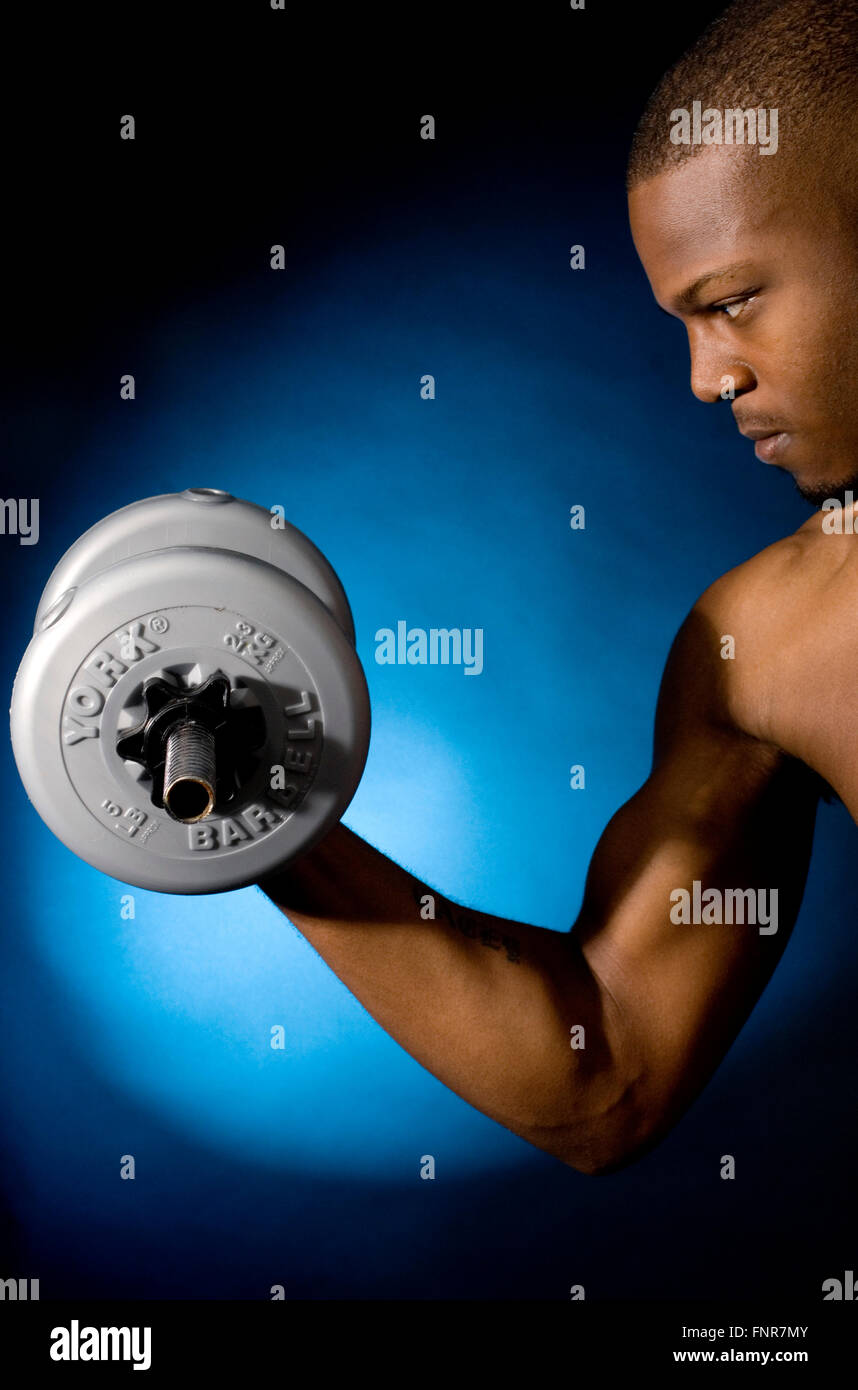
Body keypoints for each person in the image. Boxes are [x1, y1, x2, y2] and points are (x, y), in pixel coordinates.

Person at [260, 0, 858, 1175]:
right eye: (684, 322)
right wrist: (267, 817)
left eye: (733, 301)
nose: (708, 377)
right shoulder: (765, 643)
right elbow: (608, 1064)